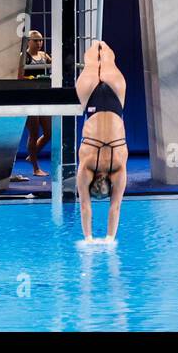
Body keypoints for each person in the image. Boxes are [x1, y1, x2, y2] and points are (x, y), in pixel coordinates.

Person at [75, 41, 129, 241]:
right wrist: (87, 238)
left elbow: (115, 207)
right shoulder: (87, 164)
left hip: (115, 100)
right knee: (90, 61)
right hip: (91, 101)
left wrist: (109, 238)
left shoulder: (119, 165)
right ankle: (96, 42)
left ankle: (101, 42)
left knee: (107, 56)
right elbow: (84, 206)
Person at [17, 29, 52, 176]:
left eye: (41, 40)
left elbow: (56, 68)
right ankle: (36, 168)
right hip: (29, 98)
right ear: (28, 42)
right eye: (36, 40)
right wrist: (34, 80)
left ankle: (32, 155)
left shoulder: (44, 56)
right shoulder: (24, 57)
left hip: (42, 98)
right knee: (34, 132)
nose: (39, 43)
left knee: (48, 133)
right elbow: (18, 77)